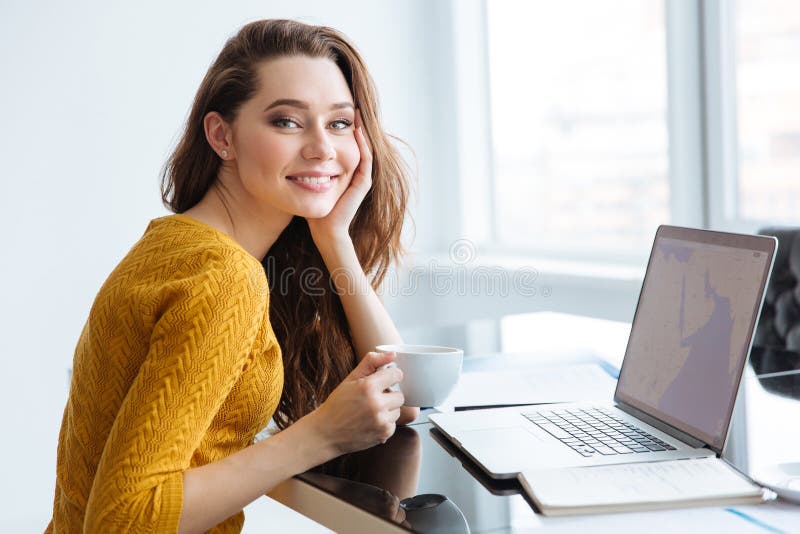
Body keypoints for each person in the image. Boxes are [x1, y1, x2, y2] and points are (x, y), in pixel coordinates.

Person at [46, 19, 417, 533]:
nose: (321, 148)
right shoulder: (221, 278)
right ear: (222, 136)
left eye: (338, 123)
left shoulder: (184, 246)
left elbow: (402, 398)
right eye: (287, 121)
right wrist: (321, 435)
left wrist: (333, 240)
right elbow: (122, 522)